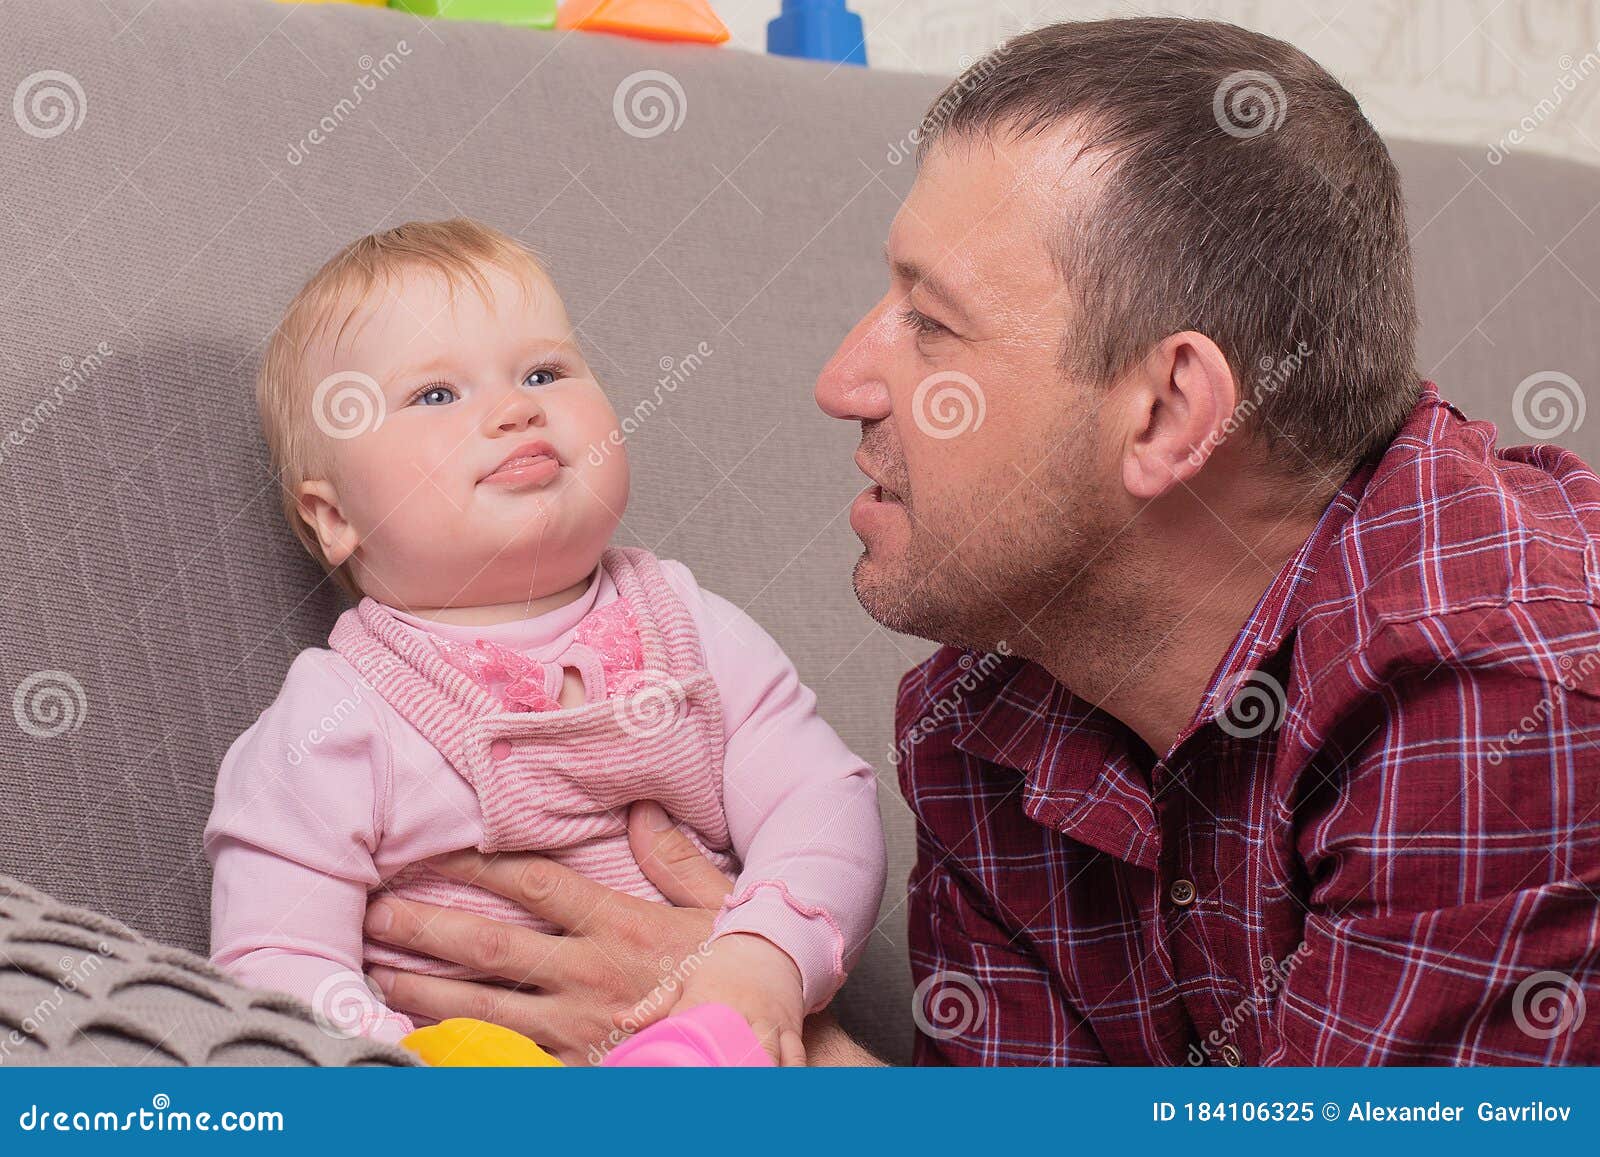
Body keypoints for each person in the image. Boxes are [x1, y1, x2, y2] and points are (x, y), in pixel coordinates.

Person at [359, 19, 1600, 1065]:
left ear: (1168, 412)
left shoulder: (1505, 688)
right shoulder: (984, 709)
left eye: (931, 324)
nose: (842, 380)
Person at [204, 218, 886, 1066]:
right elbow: (272, 962)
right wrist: (394, 1062)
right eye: (437, 395)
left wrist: (766, 955)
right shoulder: (338, 714)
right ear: (333, 514)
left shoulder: (693, 629)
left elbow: (825, 804)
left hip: (709, 1045)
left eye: (544, 371)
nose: (517, 407)